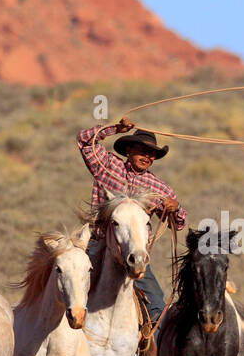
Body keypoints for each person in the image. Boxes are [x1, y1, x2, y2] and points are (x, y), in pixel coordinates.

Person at [76, 116, 186, 328]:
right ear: (128, 151)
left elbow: (178, 223)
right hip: (98, 244)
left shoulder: (158, 188)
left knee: (156, 304)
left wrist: (176, 208)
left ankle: (151, 355)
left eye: (152, 153)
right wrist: (114, 129)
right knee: (70, 288)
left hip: (135, 251)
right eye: (142, 150)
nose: (147, 156)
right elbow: (84, 141)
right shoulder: (107, 165)